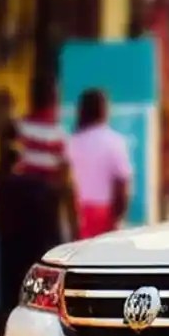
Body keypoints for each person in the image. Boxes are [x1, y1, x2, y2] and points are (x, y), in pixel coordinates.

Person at [0, 77, 76, 318]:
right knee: (41, 268)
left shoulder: (18, 128)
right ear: (53, 101)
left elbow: (4, 168)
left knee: (14, 268)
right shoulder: (59, 135)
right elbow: (65, 180)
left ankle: (10, 314)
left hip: (16, 211)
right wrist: (72, 224)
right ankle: (37, 312)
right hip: (44, 212)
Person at [67, 88, 133, 238]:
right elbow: (123, 187)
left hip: (75, 216)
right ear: (104, 111)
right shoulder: (115, 142)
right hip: (105, 216)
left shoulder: (71, 143)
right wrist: (117, 219)